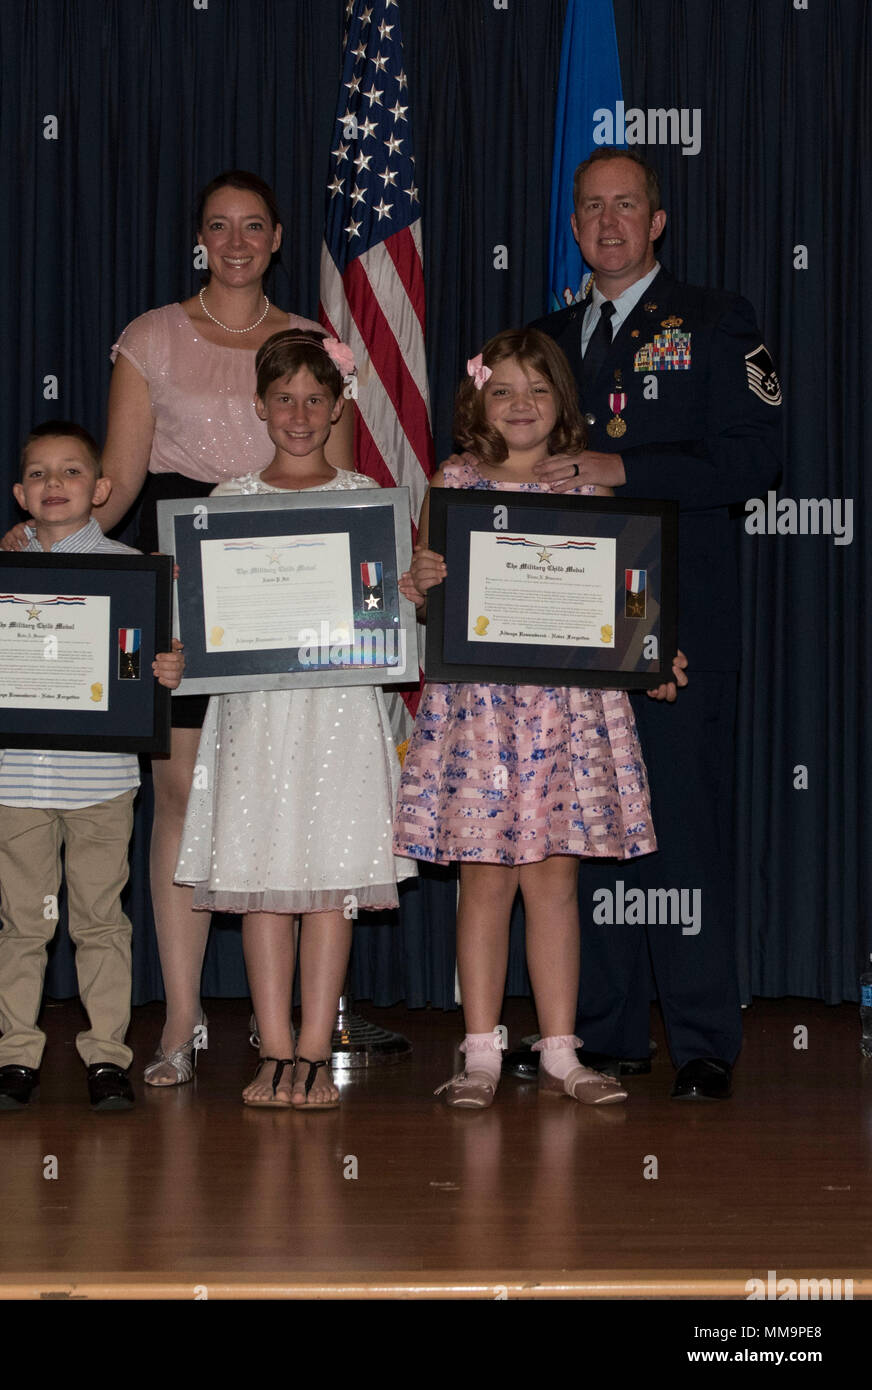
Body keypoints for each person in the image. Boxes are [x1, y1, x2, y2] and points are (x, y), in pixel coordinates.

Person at [1, 172, 352, 1088]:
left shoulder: (312, 345)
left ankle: (301, 1022)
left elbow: (344, 495)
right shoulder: (150, 336)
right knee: (182, 794)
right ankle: (183, 1016)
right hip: (183, 578)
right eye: (218, 226)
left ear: (278, 238)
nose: (235, 242)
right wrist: (42, 543)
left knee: (289, 786)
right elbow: (115, 484)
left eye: (252, 226)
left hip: (285, 581)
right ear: (200, 237)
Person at [526, 148, 782, 1099]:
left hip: (682, 621)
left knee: (682, 829)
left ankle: (704, 1040)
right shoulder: (544, 339)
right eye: (591, 207)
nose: (608, 222)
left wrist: (624, 469)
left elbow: (755, 460)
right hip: (567, 619)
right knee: (585, 825)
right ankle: (605, 1031)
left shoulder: (717, 321)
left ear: (657, 221)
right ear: (574, 225)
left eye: (626, 205)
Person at [393, 330, 677, 1110]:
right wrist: (422, 581)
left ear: (563, 402)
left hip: (567, 712)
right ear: (478, 400)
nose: (521, 405)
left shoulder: (586, 488)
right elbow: (428, 597)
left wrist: (652, 650)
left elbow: (628, 600)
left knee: (555, 882)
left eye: (538, 390)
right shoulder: (453, 480)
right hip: (480, 714)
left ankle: (559, 1051)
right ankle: (480, 1053)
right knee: (484, 883)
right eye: (504, 391)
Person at [0, 422, 184, 1111]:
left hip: (104, 785)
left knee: (100, 922)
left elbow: (143, 660)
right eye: (38, 473)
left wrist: (165, 669)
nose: (53, 484)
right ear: (19, 493)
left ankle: (107, 1057)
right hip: (21, 784)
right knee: (23, 926)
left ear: (101, 488)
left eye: (70, 472)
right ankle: (16, 1058)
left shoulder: (131, 570)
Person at [174, 330, 412, 1109]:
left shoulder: (367, 497)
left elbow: (384, 612)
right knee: (264, 880)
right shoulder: (227, 503)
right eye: (284, 399)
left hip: (342, 712)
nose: (300, 415)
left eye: (315, 399)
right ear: (259, 406)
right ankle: (273, 1048)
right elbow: (200, 620)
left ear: (339, 407)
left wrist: (407, 596)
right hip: (256, 718)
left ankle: (315, 1049)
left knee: (330, 884)